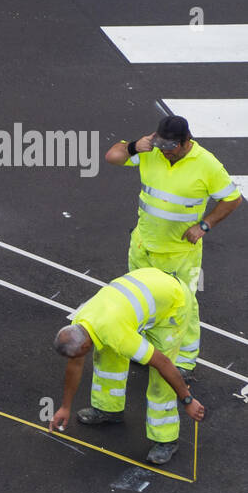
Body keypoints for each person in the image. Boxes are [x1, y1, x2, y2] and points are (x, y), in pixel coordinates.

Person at [104, 114, 240, 380]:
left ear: (186, 141)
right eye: (161, 146)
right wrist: (133, 146)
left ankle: (184, 362)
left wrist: (204, 225)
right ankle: (149, 352)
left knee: (182, 306)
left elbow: (231, 199)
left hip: (180, 252)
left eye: (170, 148)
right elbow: (112, 157)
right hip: (144, 244)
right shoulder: (150, 150)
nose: (165, 153)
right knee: (141, 300)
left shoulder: (207, 164)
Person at [50, 267, 204, 465]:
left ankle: (167, 440)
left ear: (84, 345)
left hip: (173, 303)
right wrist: (65, 407)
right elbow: (75, 365)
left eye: (82, 353)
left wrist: (188, 400)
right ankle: (109, 410)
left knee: (159, 380)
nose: (80, 358)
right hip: (149, 283)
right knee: (106, 354)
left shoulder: (119, 336)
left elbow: (163, 364)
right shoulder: (81, 322)